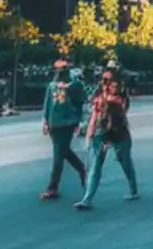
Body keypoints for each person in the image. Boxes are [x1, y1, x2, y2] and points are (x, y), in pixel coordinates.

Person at [74, 70, 139, 210]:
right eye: (106, 80)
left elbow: (122, 109)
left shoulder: (121, 98)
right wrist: (89, 133)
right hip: (102, 133)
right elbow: (94, 116)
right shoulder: (100, 97)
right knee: (95, 166)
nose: (110, 85)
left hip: (119, 132)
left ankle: (133, 190)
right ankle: (87, 199)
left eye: (111, 81)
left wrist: (107, 101)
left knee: (125, 161)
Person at [40, 59, 88, 200]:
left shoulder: (75, 85)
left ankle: (52, 187)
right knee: (64, 151)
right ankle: (83, 169)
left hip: (67, 123)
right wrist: (45, 121)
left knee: (58, 155)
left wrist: (79, 121)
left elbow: (80, 103)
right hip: (53, 123)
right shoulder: (52, 86)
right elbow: (47, 103)